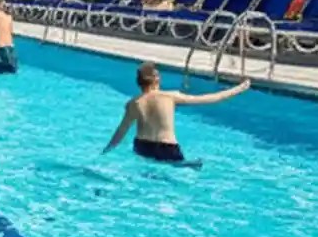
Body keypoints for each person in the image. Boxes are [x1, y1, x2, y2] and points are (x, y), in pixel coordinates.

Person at [102, 63, 250, 169]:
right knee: (188, 168)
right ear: (157, 79)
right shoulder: (170, 96)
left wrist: (106, 150)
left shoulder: (133, 103)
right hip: (168, 149)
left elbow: (121, 131)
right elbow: (210, 98)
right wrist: (239, 89)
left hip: (142, 147)